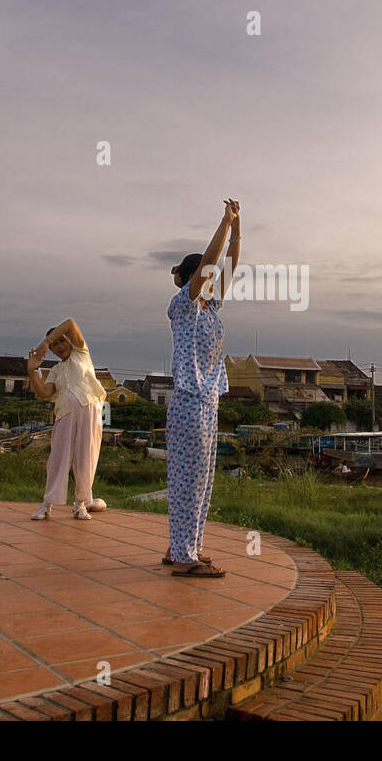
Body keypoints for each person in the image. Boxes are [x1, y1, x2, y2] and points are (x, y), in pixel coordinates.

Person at [164, 199, 240, 577]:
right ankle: (183, 556)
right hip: (189, 401)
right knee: (187, 480)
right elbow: (213, 262)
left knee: (201, 481)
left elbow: (228, 266)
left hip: (207, 402)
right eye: (206, 277)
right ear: (197, 277)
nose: (212, 282)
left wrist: (237, 231)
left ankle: (186, 546)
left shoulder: (210, 308)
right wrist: (223, 223)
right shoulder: (184, 305)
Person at [26, 318, 107, 520]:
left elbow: (70, 323)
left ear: (69, 341)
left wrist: (44, 342)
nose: (59, 346)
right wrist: (31, 371)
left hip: (89, 410)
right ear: (52, 351)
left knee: (85, 457)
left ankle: (80, 504)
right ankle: (47, 504)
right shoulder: (54, 370)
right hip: (64, 414)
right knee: (58, 458)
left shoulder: (82, 353)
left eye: (61, 341)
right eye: (54, 345)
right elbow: (44, 392)